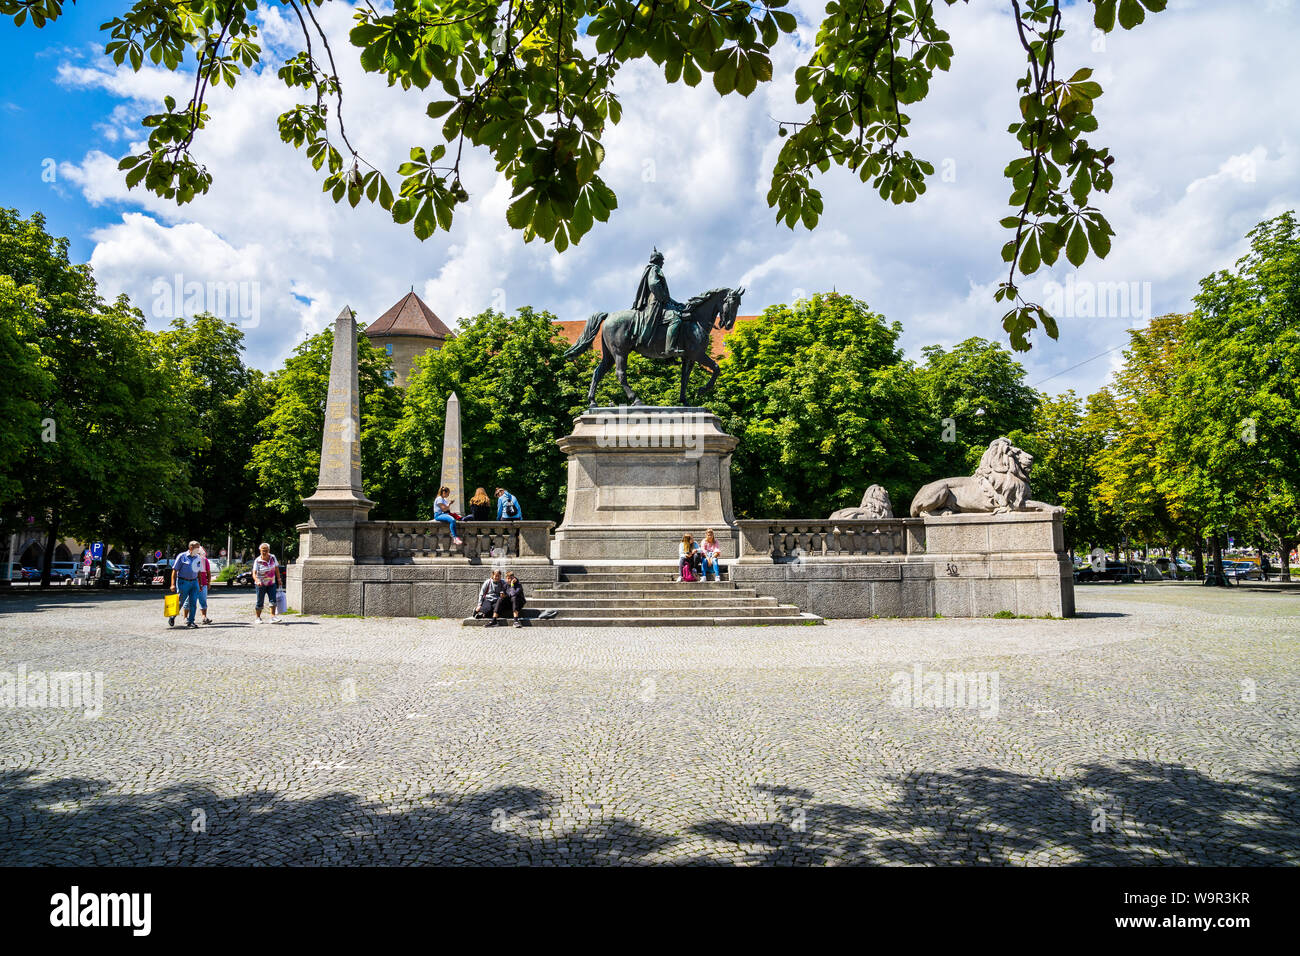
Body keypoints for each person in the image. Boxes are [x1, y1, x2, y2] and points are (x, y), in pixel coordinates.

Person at [171, 540, 204, 629]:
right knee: (180, 602)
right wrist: (173, 584)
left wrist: (200, 584)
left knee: (193, 603)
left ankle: (191, 621)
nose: (198, 549)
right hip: (183, 582)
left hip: (194, 582)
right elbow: (174, 570)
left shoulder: (198, 558)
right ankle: (172, 616)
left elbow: (199, 572)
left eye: (199, 547)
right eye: (197, 547)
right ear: (191, 547)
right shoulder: (182, 556)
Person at [252, 542, 283, 624]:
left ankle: (273, 617)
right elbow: (254, 573)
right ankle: (258, 618)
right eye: (263, 550)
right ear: (260, 551)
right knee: (260, 601)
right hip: (260, 584)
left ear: (269, 550)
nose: (264, 552)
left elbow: (276, 568)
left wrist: (279, 579)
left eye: (266, 550)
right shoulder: (257, 560)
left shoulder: (273, 557)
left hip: (271, 583)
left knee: (273, 600)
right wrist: (257, 580)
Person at [192, 546, 214, 625]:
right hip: (192, 583)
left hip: (203, 583)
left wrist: (208, 583)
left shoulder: (205, 561)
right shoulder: (191, 560)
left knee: (203, 601)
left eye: (200, 553)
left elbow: (208, 573)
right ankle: (186, 617)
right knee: (188, 602)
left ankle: (204, 617)